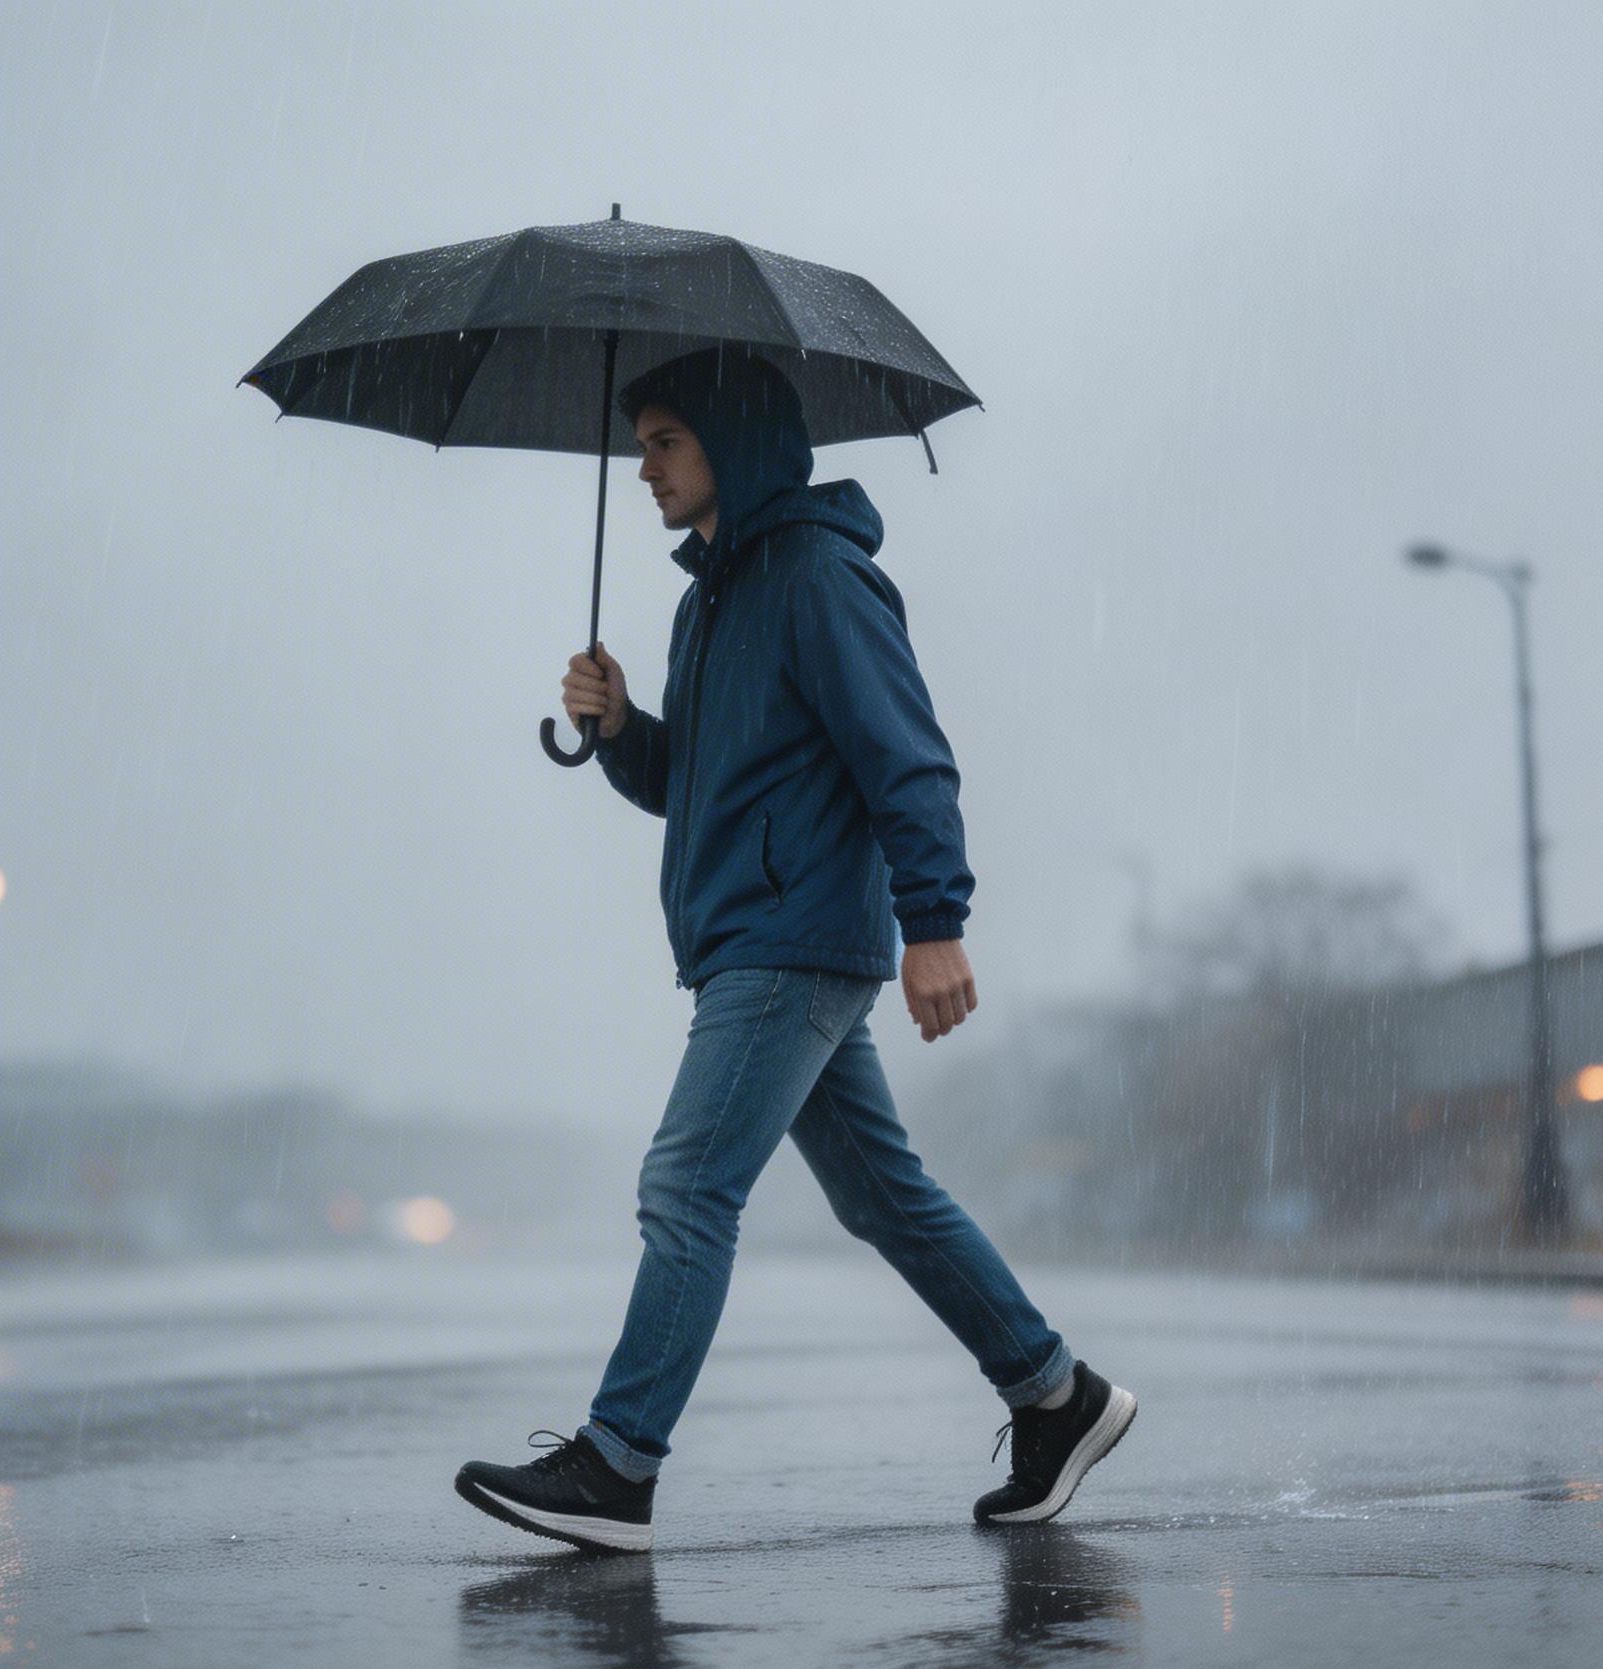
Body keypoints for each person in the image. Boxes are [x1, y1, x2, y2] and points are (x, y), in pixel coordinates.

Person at [454, 347, 1136, 1554]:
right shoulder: (708, 598)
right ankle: (1055, 1395)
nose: (646, 467)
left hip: (791, 941)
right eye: (643, 445)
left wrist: (936, 921)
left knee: (686, 1186)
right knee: (884, 1198)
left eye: (666, 441)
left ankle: (618, 1465)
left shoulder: (819, 576)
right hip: (754, 937)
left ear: (736, 442)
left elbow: (907, 755)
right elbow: (708, 788)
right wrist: (620, 733)